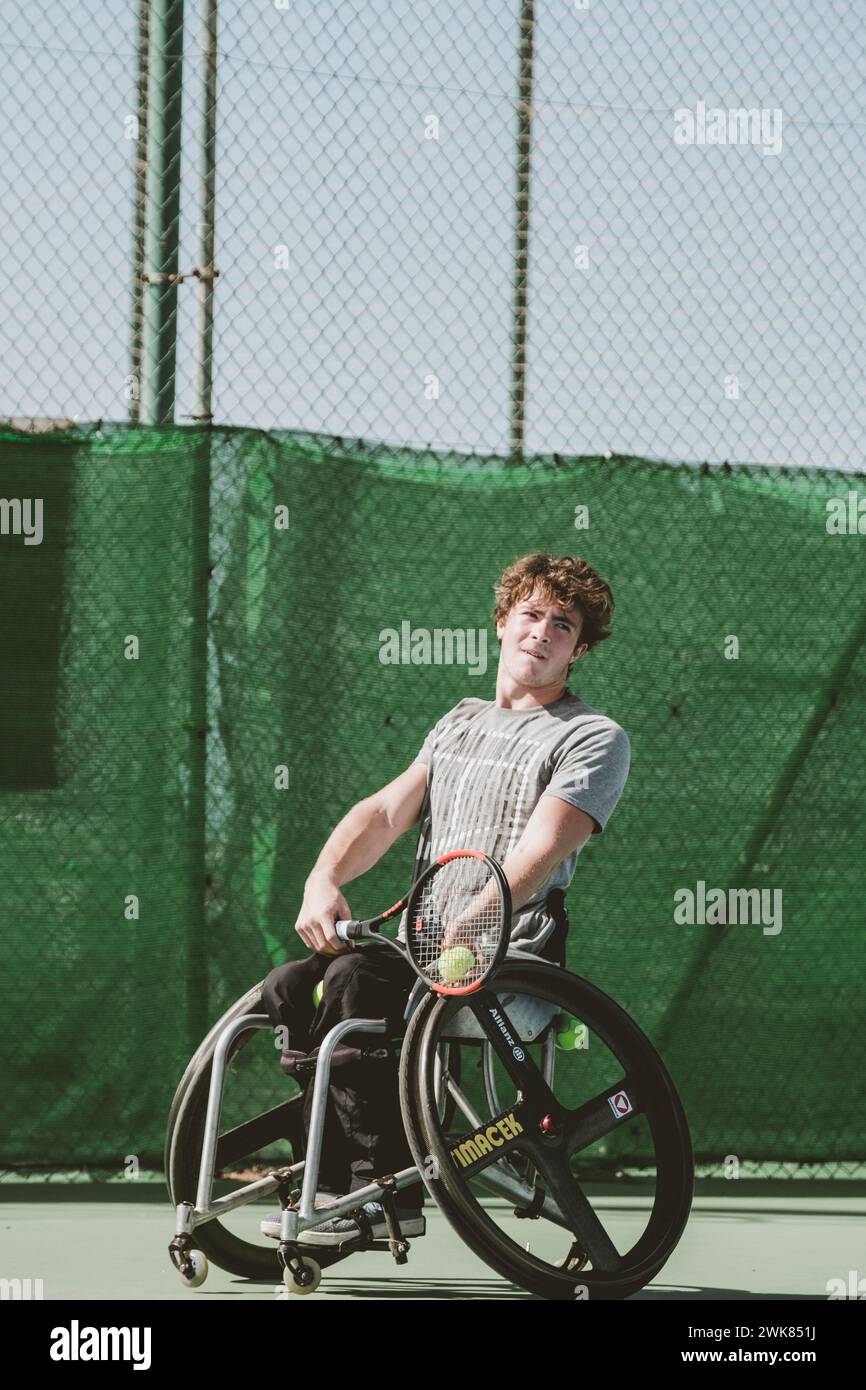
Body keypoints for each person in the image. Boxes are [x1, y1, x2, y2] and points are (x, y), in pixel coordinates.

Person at [260, 551, 631, 1243]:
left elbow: (545, 845)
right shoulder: (459, 721)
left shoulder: (593, 738)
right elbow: (384, 814)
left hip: (509, 961)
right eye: (530, 614)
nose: (541, 632)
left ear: (578, 649)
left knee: (353, 982)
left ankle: (377, 1194)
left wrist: (476, 919)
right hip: (419, 952)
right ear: (501, 623)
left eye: (562, 624)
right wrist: (323, 880)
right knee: (289, 986)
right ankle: (328, 1173)